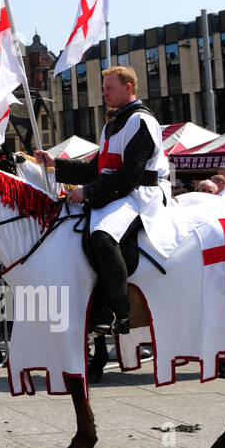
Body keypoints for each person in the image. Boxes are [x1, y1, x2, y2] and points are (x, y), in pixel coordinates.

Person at [34, 65, 171, 335]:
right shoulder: (111, 124)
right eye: (104, 88)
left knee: (103, 237)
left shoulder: (140, 121)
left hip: (141, 193)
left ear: (128, 87)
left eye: (109, 88)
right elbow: (95, 169)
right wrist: (55, 164)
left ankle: (120, 313)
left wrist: (88, 192)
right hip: (118, 192)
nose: (104, 93)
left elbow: (130, 175)